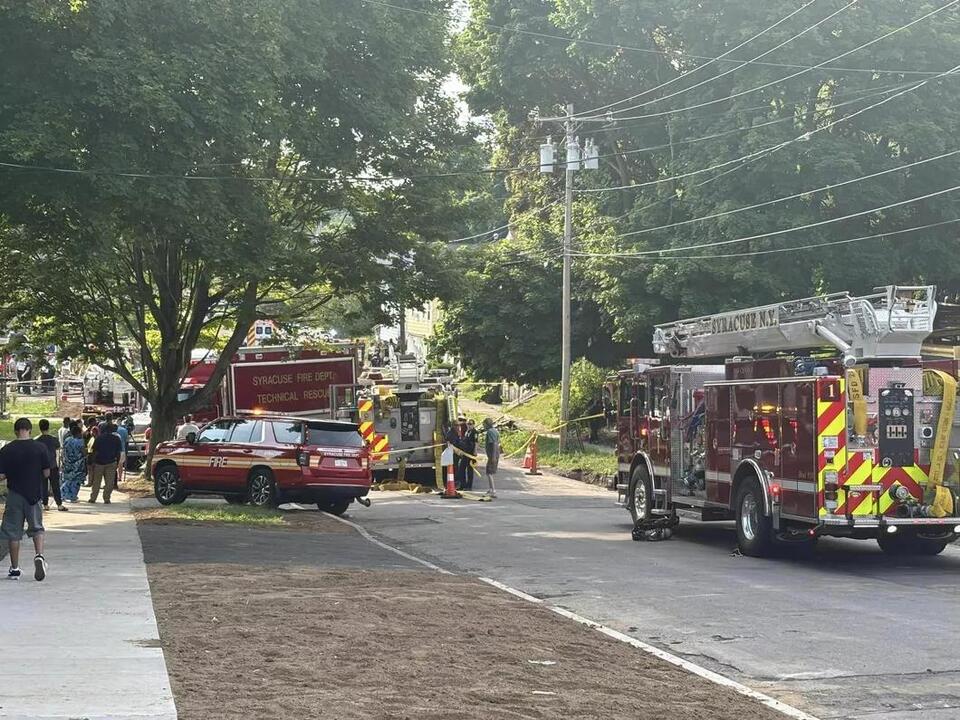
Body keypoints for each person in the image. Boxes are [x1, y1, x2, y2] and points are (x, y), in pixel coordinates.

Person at [0, 417, 50, 581]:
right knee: (37, 528)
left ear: (15, 431)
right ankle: (39, 556)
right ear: (30, 430)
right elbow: (46, 473)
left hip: (15, 494)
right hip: (34, 494)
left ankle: (14, 569)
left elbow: (1, 475)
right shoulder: (40, 448)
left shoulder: (7, 449)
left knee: (13, 533)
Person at [35, 419, 67, 512]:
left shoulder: (36, 440)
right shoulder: (54, 439)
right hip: (52, 465)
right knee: (55, 486)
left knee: (43, 486)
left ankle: (45, 504)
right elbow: (58, 448)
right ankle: (59, 504)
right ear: (48, 427)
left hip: (41, 467)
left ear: (40, 428)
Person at [89, 420, 122, 504]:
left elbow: (95, 452)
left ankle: (93, 498)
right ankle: (106, 498)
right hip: (111, 462)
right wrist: (117, 463)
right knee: (109, 483)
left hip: (99, 462)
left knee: (96, 482)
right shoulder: (116, 439)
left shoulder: (99, 438)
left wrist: (93, 462)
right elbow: (118, 452)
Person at [61, 422, 86, 503]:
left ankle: (63, 494)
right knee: (76, 481)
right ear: (78, 433)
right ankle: (73, 496)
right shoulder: (80, 442)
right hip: (77, 464)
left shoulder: (67, 440)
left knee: (67, 479)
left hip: (67, 463)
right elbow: (83, 453)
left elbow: (63, 450)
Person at [482, 418, 501, 498]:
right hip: (494, 454)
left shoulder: (490, 432)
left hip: (493, 455)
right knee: (488, 471)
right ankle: (490, 489)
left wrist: (493, 456)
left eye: (484, 424)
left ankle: (493, 490)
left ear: (487, 424)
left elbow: (494, 444)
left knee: (489, 472)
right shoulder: (495, 431)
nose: (483, 426)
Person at [460, 418, 478, 491]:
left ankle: (469, 486)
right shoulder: (467, 431)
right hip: (465, 452)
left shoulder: (475, 432)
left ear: (473, 425)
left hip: (470, 453)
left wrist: (475, 451)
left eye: (470, 424)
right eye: (467, 424)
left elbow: (476, 442)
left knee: (470, 470)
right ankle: (463, 485)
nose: (469, 425)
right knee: (461, 468)